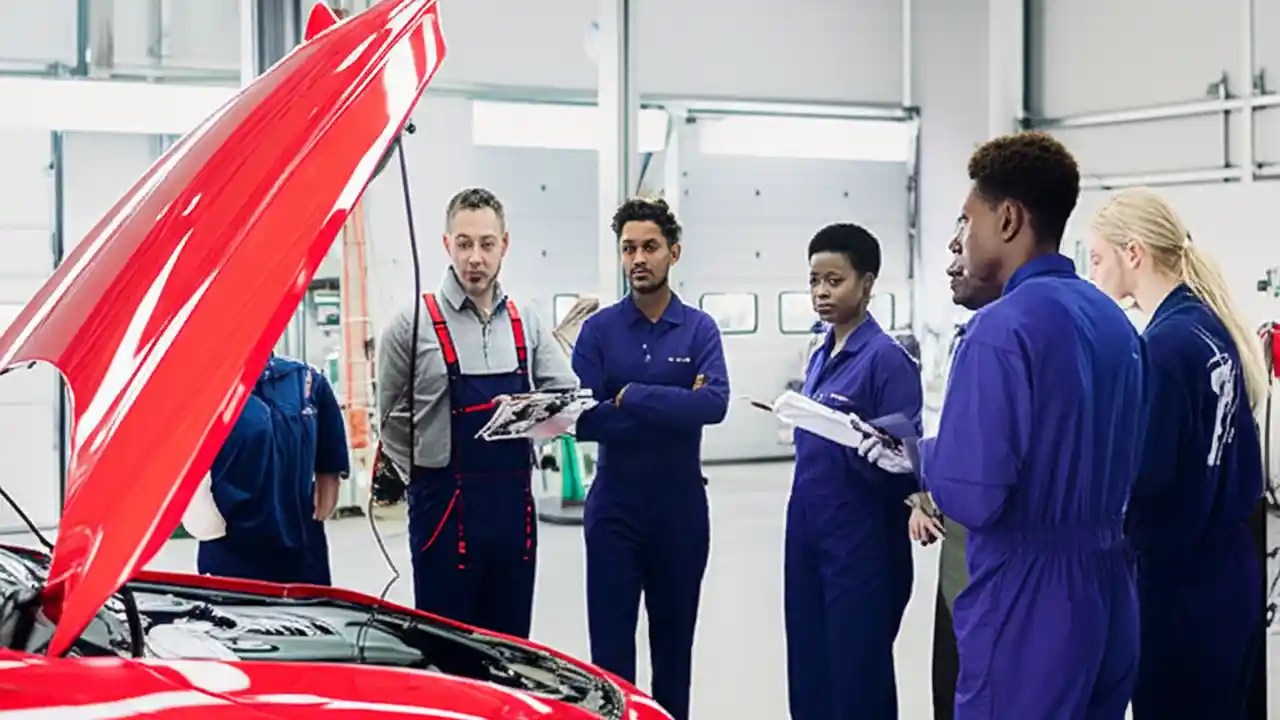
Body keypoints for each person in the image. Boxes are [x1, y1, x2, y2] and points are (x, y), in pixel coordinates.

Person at [863, 131, 1145, 719]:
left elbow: (973, 493)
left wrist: (919, 454)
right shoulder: (1112, 321)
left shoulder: (1000, 329)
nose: (957, 240)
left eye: (967, 221)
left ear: (1009, 219)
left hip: (1029, 599)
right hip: (1110, 588)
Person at [1087, 187, 1268, 719]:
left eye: (1097, 258)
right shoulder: (1209, 329)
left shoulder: (1164, 348)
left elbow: (1144, 474)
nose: (1093, 274)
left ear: (1133, 253)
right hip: (1227, 571)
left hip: (1180, 584)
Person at [376, 187, 578, 638]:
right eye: (464, 243)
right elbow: (388, 418)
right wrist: (425, 473)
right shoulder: (411, 323)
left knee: (510, 648)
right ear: (447, 245)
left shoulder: (525, 320)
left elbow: (565, 395)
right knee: (446, 647)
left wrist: (526, 421)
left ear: (504, 244)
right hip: (442, 511)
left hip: (512, 510)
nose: (475, 257)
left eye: (487, 244)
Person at [571, 197, 728, 720]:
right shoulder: (598, 331)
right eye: (629, 248)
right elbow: (585, 420)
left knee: (673, 650)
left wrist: (633, 395)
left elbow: (714, 404)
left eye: (650, 247)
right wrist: (673, 405)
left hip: (680, 512)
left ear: (673, 252)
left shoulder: (699, 329)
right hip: (615, 510)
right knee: (610, 655)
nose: (639, 258)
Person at [783, 223, 923, 720]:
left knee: (857, 672)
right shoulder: (822, 352)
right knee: (809, 662)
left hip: (862, 539)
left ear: (866, 283)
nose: (821, 292)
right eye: (815, 281)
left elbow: (906, 460)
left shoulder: (886, 361)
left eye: (834, 280)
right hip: (807, 530)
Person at [905, 219, 1004, 720]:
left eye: (962, 241)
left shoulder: (994, 339)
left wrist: (931, 475)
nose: (950, 258)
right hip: (964, 563)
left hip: (990, 572)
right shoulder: (980, 337)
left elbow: (981, 471)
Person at [191, 352, 348, 585]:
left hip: (300, 542)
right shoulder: (206, 387)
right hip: (232, 545)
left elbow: (329, 463)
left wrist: (330, 473)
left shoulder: (306, 381)